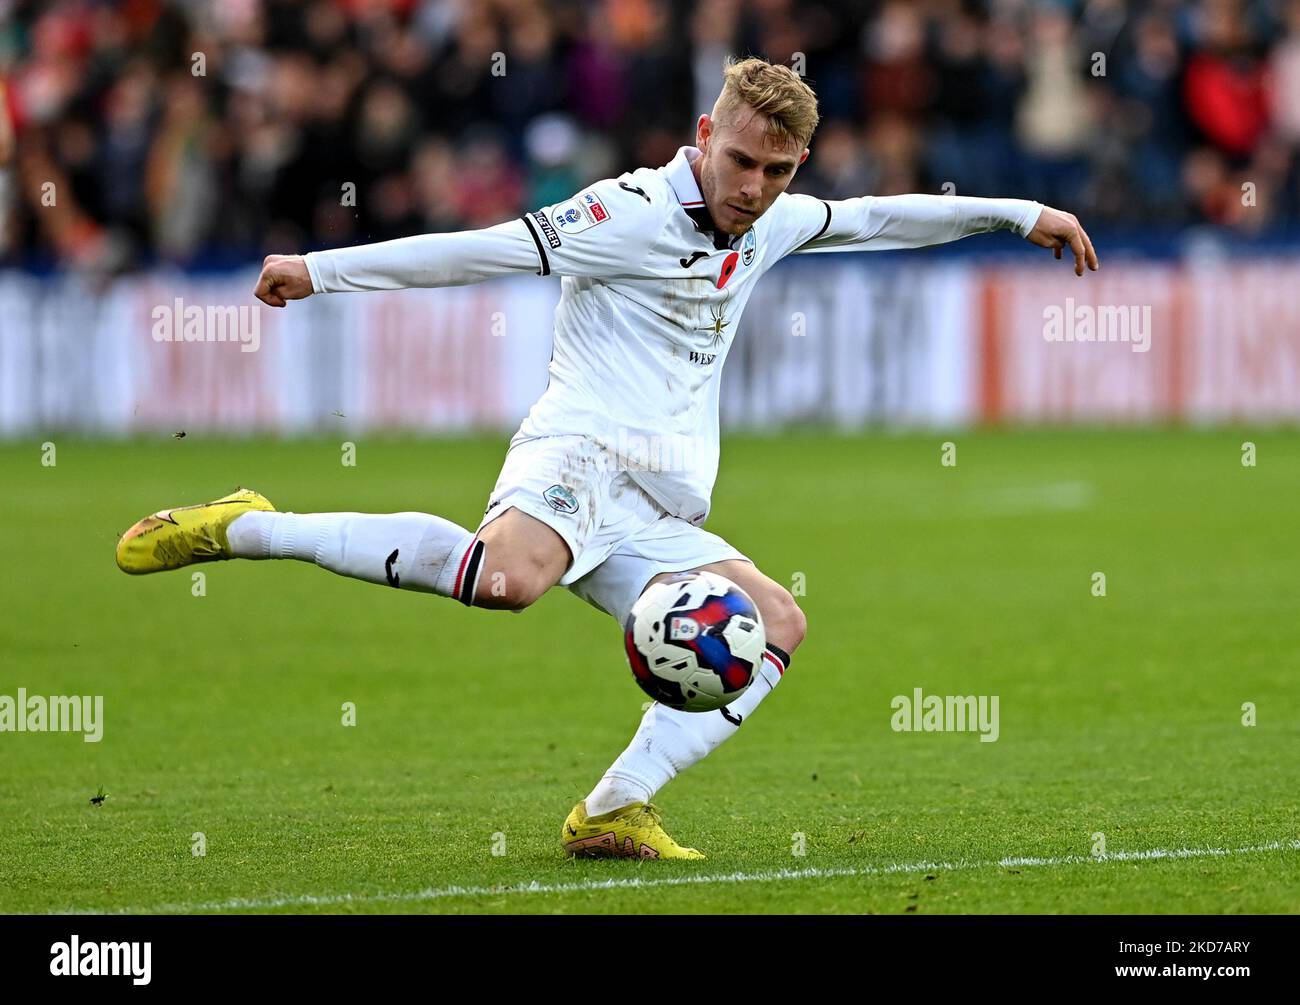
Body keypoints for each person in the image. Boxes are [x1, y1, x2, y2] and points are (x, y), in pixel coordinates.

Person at [116, 56, 1098, 859]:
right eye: (744, 163)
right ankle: (245, 525)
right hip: (574, 453)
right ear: (706, 138)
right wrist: (317, 273)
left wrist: (1022, 215)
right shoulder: (621, 213)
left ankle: (614, 808)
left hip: (656, 501)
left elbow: (881, 217)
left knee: (778, 621)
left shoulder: (770, 222)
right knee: (502, 583)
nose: (756, 190)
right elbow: (480, 251)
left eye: (780, 172)